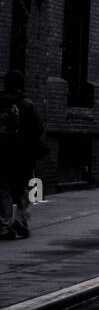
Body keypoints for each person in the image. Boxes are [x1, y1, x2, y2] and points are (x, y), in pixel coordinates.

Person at [0, 70, 45, 240]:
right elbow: (38, 128)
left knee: (2, 189)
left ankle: (3, 226)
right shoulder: (27, 104)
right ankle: (20, 222)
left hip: (2, 153)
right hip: (22, 155)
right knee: (24, 190)